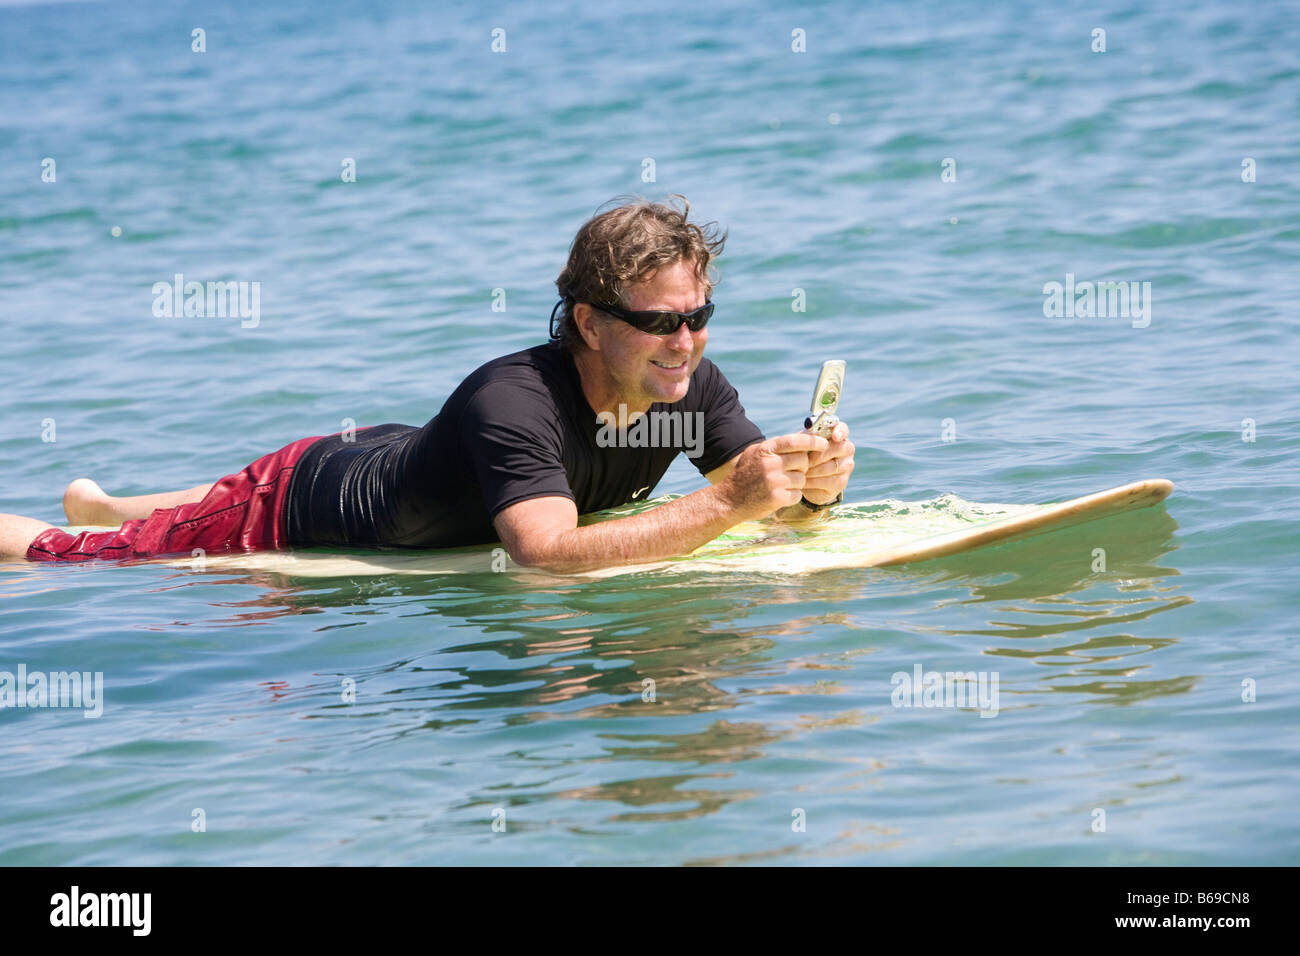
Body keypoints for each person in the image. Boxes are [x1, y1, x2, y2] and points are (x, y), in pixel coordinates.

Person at [2, 196, 854, 573]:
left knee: (199, 497)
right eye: (662, 321)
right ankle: (72, 525)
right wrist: (725, 505)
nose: (687, 340)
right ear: (590, 323)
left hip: (397, 453)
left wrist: (813, 487)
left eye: (700, 315)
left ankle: (110, 499)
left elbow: (764, 498)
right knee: (77, 559)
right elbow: (545, 556)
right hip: (299, 501)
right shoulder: (515, 400)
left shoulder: (689, 389)